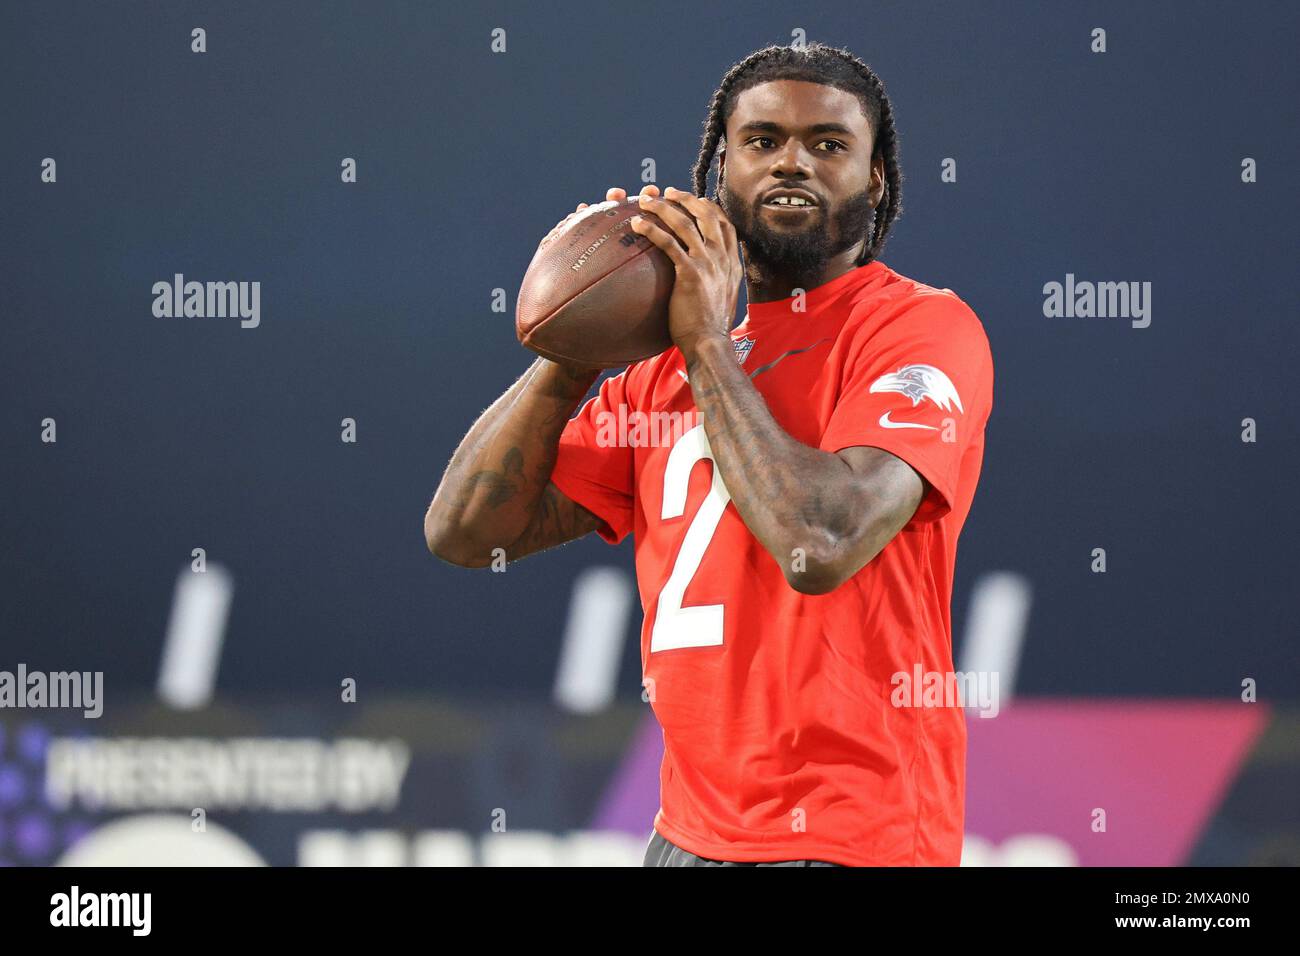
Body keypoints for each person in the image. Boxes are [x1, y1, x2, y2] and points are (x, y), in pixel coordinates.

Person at [425, 43, 994, 867]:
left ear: (876, 180)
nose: (791, 161)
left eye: (828, 145)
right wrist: (576, 341)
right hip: (687, 834)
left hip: (854, 836)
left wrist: (703, 344)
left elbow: (820, 543)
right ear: (716, 168)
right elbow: (468, 533)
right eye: (761, 141)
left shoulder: (917, 330)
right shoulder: (657, 368)